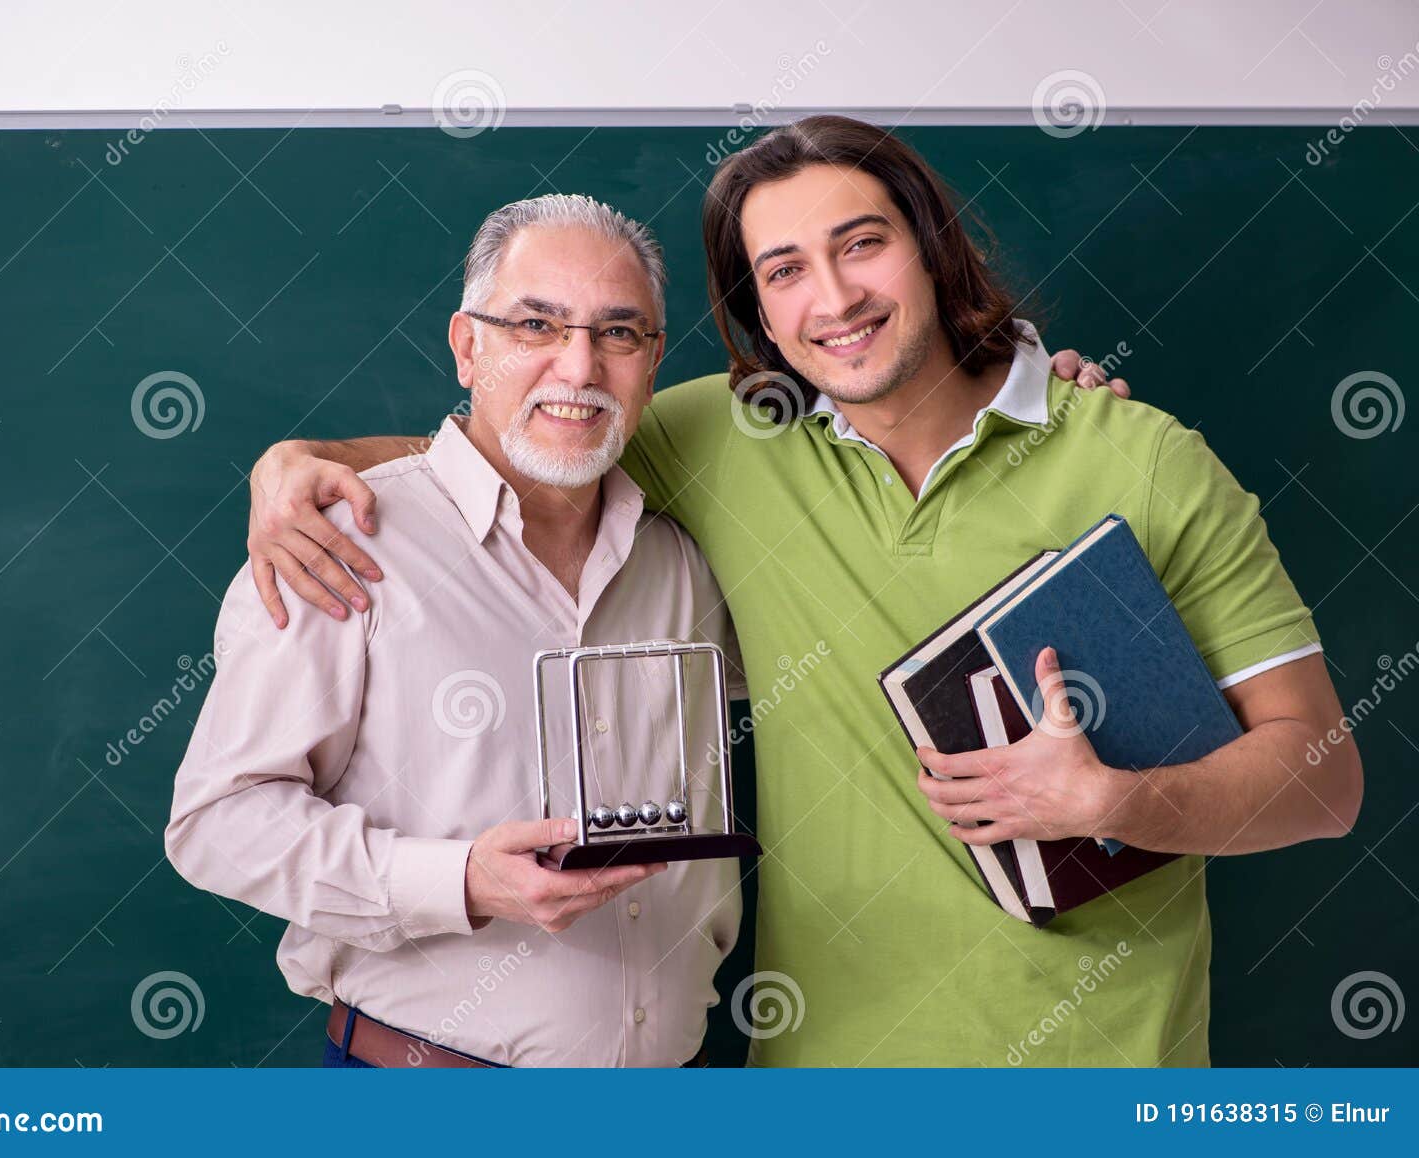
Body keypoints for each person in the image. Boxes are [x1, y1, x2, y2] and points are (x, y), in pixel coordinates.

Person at [247, 117, 1357, 1067]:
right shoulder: (720, 439)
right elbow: (532, 435)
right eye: (783, 271)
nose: (832, 297)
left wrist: (1113, 803)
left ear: (933, 252)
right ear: (759, 314)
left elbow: (1323, 780)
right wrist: (301, 457)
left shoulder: (1145, 458)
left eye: (861, 245)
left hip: (1103, 1072)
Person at [166, 194, 745, 1067]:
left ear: (653, 363)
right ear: (468, 347)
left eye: (618, 334)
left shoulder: (683, 565)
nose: (578, 366)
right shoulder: (342, 542)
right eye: (536, 325)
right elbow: (219, 820)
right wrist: (461, 882)